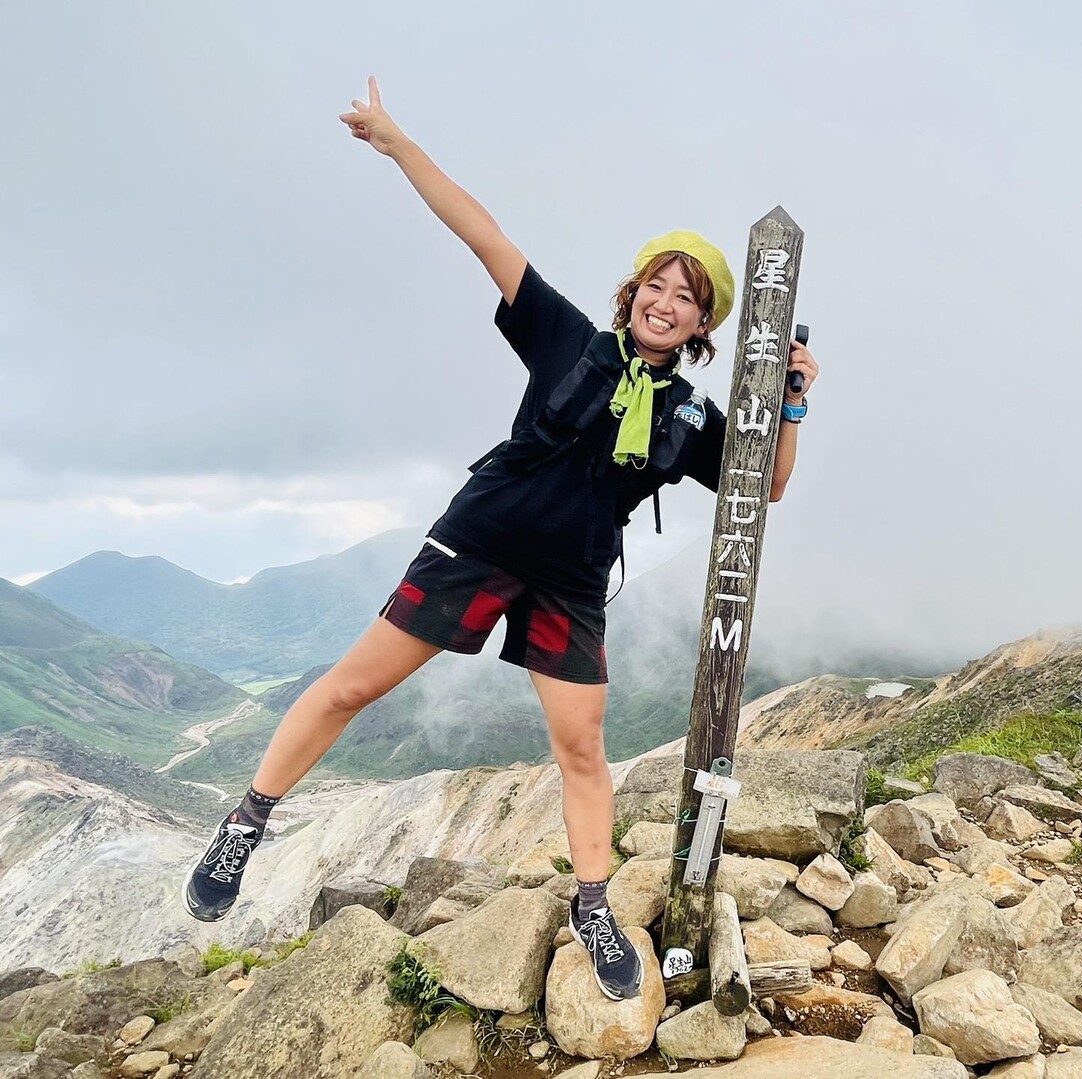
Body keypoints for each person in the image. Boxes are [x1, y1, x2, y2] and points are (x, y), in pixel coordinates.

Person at [183, 77, 819, 1002]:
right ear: (633, 291)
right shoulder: (566, 337)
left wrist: (790, 404)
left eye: (686, 296)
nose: (664, 301)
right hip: (477, 543)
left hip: (570, 582)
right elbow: (481, 234)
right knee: (352, 684)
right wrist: (397, 144)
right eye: (655, 282)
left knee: (581, 749)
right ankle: (246, 821)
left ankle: (592, 903)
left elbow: (765, 484)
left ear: (702, 323)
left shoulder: (689, 415)